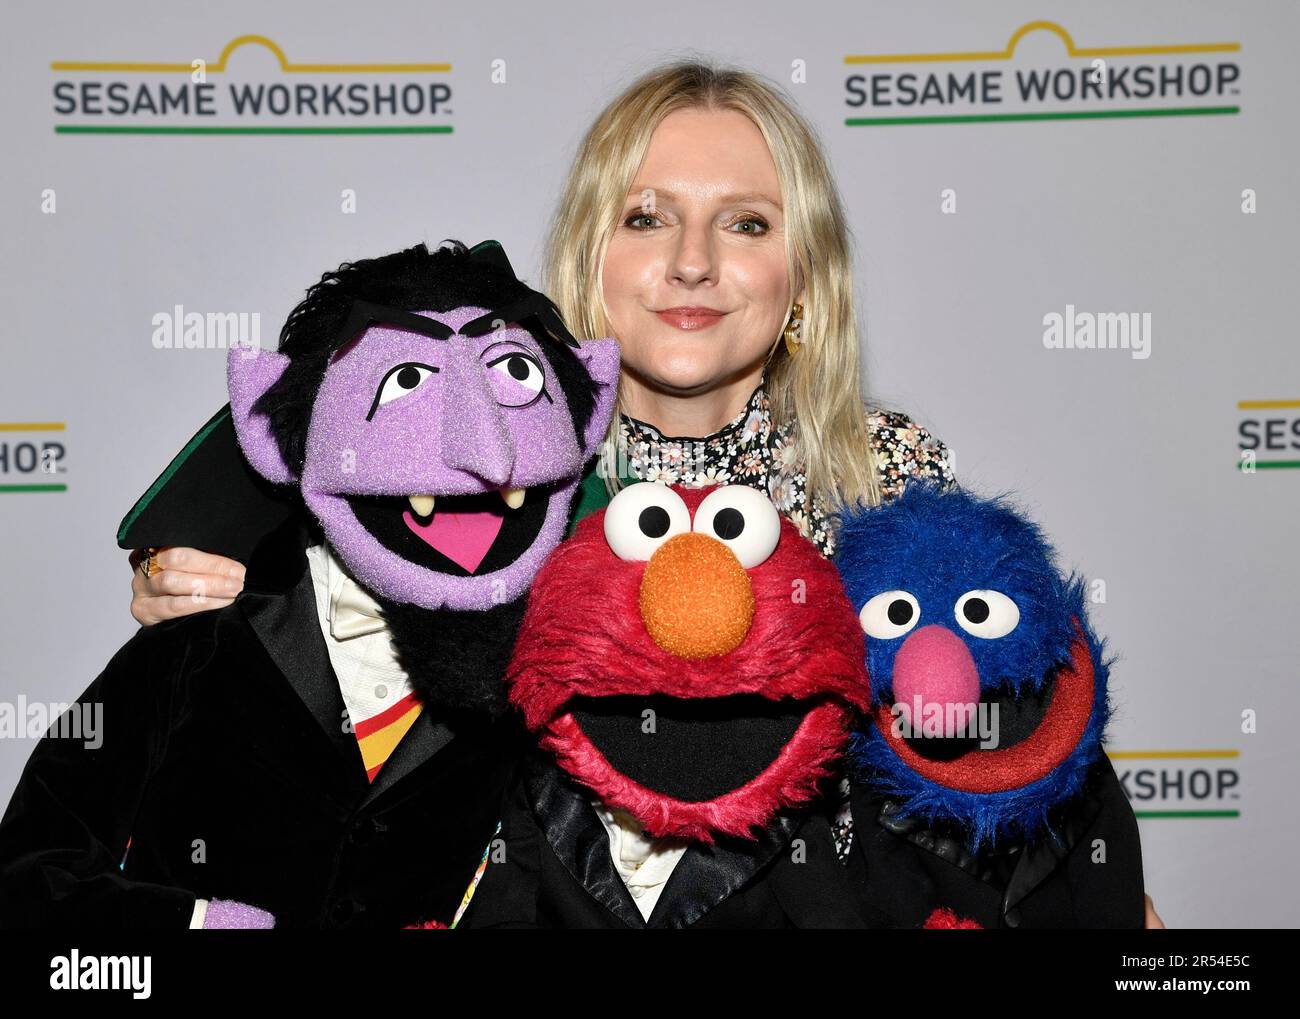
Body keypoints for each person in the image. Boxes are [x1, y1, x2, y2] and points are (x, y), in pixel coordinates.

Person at [122, 58, 1165, 928]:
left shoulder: (886, 476)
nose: (693, 263)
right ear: (591, 249)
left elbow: (998, 758)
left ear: (803, 274)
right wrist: (213, 621)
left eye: (747, 224)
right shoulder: (495, 469)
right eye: (648, 217)